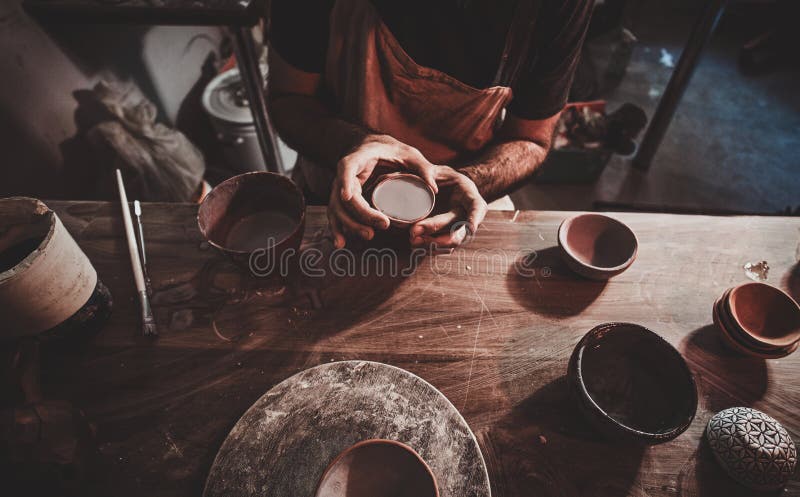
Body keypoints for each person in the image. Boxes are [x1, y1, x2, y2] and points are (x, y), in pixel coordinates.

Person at [267, 0, 592, 248]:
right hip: (334, 195)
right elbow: (289, 99)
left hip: (458, 211)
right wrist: (355, 143)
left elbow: (531, 141)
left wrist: (468, 182)